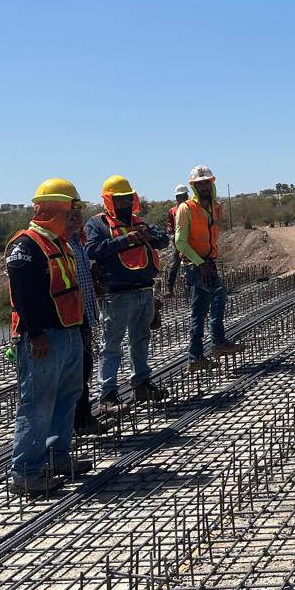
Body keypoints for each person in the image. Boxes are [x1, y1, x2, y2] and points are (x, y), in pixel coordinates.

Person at [6, 179, 93, 495]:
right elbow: (23, 296)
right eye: (71, 209)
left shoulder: (61, 243)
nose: (75, 215)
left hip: (68, 334)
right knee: (37, 405)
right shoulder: (26, 246)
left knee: (67, 397)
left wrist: (80, 328)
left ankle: (56, 458)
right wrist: (36, 335)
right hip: (43, 340)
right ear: (55, 209)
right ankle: (25, 473)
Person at [85, 175, 171, 410]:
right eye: (119, 200)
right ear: (109, 200)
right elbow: (91, 250)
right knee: (111, 344)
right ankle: (107, 395)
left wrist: (149, 236)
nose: (124, 204)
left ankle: (142, 383)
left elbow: (164, 240)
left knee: (141, 338)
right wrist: (124, 240)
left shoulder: (138, 222)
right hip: (116, 294)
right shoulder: (97, 224)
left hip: (144, 291)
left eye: (126, 199)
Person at [175, 165, 240, 369]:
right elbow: (180, 242)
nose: (204, 187)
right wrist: (201, 264)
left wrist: (217, 211)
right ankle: (218, 343)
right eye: (199, 184)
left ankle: (195, 358)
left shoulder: (212, 207)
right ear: (193, 187)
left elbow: (214, 230)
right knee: (219, 293)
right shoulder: (186, 208)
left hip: (207, 263)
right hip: (196, 265)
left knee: (199, 310)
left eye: (207, 183)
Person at [67, 207, 104, 437]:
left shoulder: (77, 241)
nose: (76, 217)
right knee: (76, 374)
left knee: (84, 370)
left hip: (84, 318)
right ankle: (78, 422)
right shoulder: (62, 244)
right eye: (70, 213)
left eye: (78, 213)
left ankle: (81, 420)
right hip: (71, 321)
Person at [164, 184, 190, 296]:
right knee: (175, 264)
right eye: (180, 196)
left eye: (184, 196)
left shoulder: (192, 208)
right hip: (178, 241)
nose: (182, 198)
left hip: (191, 241)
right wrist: (170, 231)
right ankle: (169, 289)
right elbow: (169, 224)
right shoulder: (173, 210)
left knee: (191, 264)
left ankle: (189, 287)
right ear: (177, 198)